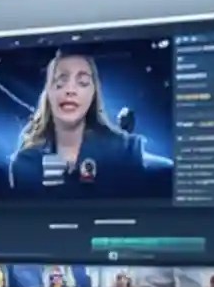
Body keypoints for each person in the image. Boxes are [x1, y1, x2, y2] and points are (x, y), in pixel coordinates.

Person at [9, 50, 148, 196]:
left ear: (94, 93)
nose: (70, 90)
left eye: (82, 83)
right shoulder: (26, 163)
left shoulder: (126, 152)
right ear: (48, 93)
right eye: (60, 83)